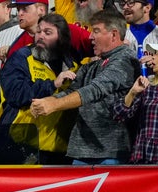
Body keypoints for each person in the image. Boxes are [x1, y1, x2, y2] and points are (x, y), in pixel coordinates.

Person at [28, 9, 138, 163]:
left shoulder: (125, 60)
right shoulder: (93, 65)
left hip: (110, 152)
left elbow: (94, 90)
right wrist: (45, 101)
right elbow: (73, 90)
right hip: (81, 151)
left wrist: (54, 104)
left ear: (113, 34)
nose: (91, 37)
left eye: (96, 31)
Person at [0, 10, 78, 162]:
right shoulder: (21, 57)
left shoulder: (73, 66)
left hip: (58, 149)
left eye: (48, 32)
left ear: (61, 38)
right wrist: (52, 84)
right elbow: (16, 94)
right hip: (21, 145)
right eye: (39, 31)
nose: (40, 36)